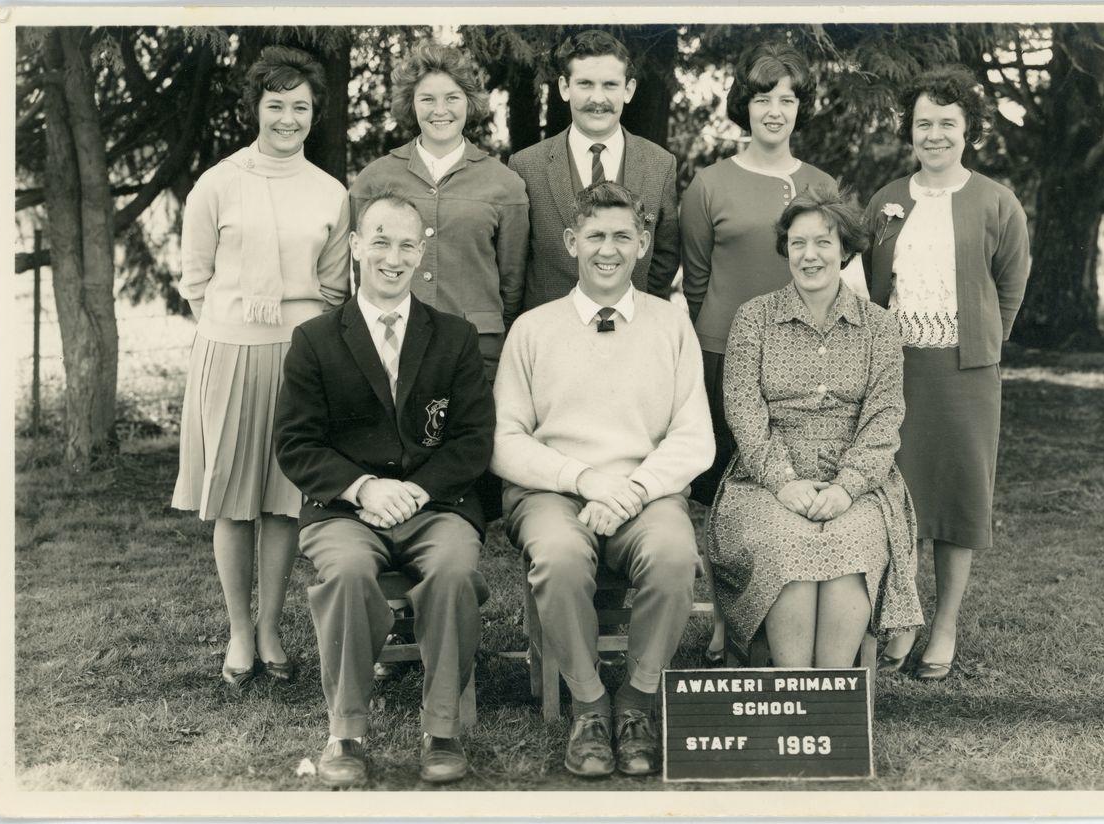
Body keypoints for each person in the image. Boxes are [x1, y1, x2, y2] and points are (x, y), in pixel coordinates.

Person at [492, 181, 714, 778]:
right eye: (595, 236)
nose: (608, 249)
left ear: (643, 243)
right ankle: (590, 705)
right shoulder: (533, 329)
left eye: (622, 235)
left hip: (646, 492)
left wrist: (634, 491)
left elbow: (695, 437)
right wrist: (584, 479)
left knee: (673, 556)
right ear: (571, 242)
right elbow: (505, 441)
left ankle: (637, 701)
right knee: (560, 558)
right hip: (554, 493)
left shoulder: (671, 326)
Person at [274, 191, 494, 787]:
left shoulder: (453, 335)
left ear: (422, 251)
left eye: (406, 244)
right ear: (354, 247)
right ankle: (345, 731)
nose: (392, 257)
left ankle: (441, 728)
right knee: (345, 573)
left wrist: (418, 491)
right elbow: (296, 444)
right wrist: (364, 487)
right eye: (379, 241)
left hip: (436, 506)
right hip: (345, 510)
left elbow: (473, 439)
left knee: (452, 568)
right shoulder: (315, 339)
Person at [172, 46, 350, 689]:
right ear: (256, 108)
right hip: (228, 351)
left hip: (298, 358)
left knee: (282, 500)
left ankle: (271, 628)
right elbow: (195, 280)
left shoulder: (330, 192)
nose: (287, 118)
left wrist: (288, 325)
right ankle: (239, 633)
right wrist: (239, 321)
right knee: (233, 502)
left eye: (300, 107)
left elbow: (334, 290)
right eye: (275, 105)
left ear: (314, 115)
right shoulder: (217, 183)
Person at [707, 187, 923, 668]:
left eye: (824, 243)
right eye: (799, 243)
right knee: (790, 547)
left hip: (860, 484)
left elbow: (884, 418)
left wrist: (847, 488)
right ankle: (793, 686)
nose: (810, 255)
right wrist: (783, 482)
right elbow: (743, 411)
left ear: (845, 250)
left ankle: (831, 694)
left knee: (850, 544)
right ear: (786, 249)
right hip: (766, 480)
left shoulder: (879, 327)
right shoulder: (754, 319)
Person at [863, 66, 1030, 681]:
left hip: (966, 374)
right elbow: (871, 282)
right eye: (923, 123)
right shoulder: (886, 200)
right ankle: (901, 619)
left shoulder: (995, 200)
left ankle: (945, 626)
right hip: (896, 370)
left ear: (970, 131)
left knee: (958, 500)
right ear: (910, 131)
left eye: (948, 124)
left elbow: (1011, 285)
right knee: (899, 497)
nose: (934, 135)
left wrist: (984, 339)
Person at [679, 42, 838, 662]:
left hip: (804, 360)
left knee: (791, 486)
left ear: (801, 108)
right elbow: (695, 279)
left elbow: (829, 266)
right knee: (725, 493)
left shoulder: (820, 185)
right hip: (725, 353)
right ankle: (726, 620)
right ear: (742, 106)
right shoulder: (710, 183)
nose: (775, 110)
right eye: (762, 98)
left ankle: (785, 609)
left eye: (788, 99)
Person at [348, 41, 529, 382]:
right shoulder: (374, 179)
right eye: (427, 99)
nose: (439, 110)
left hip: (477, 349)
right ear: (411, 104)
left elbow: (512, 282)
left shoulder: (505, 184)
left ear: (469, 102)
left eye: (452, 98)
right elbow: (364, 274)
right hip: (392, 344)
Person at [508, 29, 680, 311]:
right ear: (565, 87)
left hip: (631, 331)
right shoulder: (526, 166)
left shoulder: (659, 164)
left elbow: (665, 256)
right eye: (585, 84)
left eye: (610, 85)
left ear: (628, 89)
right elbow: (514, 264)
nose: (597, 98)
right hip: (551, 333)